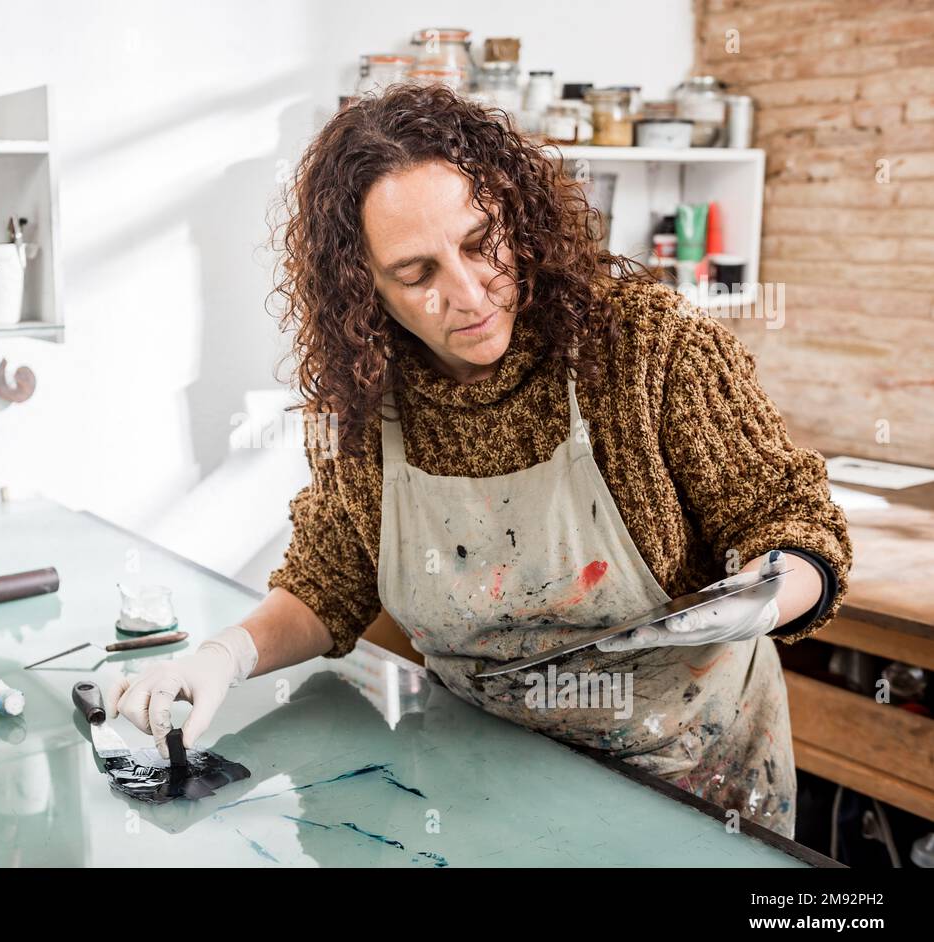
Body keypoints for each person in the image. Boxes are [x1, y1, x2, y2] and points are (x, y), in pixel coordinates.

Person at [108, 84, 850, 838]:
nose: (467, 294)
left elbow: (796, 521)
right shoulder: (360, 404)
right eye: (417, 273)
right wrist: (220, 657)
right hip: (482, 785)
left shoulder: (647, 349)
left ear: (517, 217)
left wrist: (769, 590)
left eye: (478, 241)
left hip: (690, 785)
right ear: (364, 285)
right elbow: (325, 583)